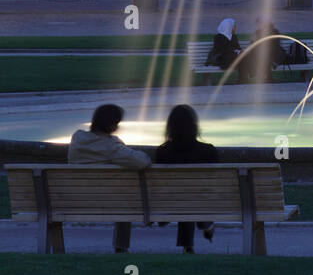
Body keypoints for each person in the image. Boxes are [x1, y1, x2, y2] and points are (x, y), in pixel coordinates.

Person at [67, 103, 150, 252]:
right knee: (125, 199)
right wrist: (118, 143)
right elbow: (142, 161)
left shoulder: (77, 138)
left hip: (74, 200)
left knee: (122, 196)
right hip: (110, 201)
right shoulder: (111, 147)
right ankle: (121, 247)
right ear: (113, 125)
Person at [153, 105, 218, 254]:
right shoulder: (208, 151)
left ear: (170, 127)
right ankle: (205, 225)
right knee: (191, 196)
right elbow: (215, 184)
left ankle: (188, 245)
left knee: (184, 196)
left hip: (170, 202)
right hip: (202, 201)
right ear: (195, 126)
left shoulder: (162, 152)